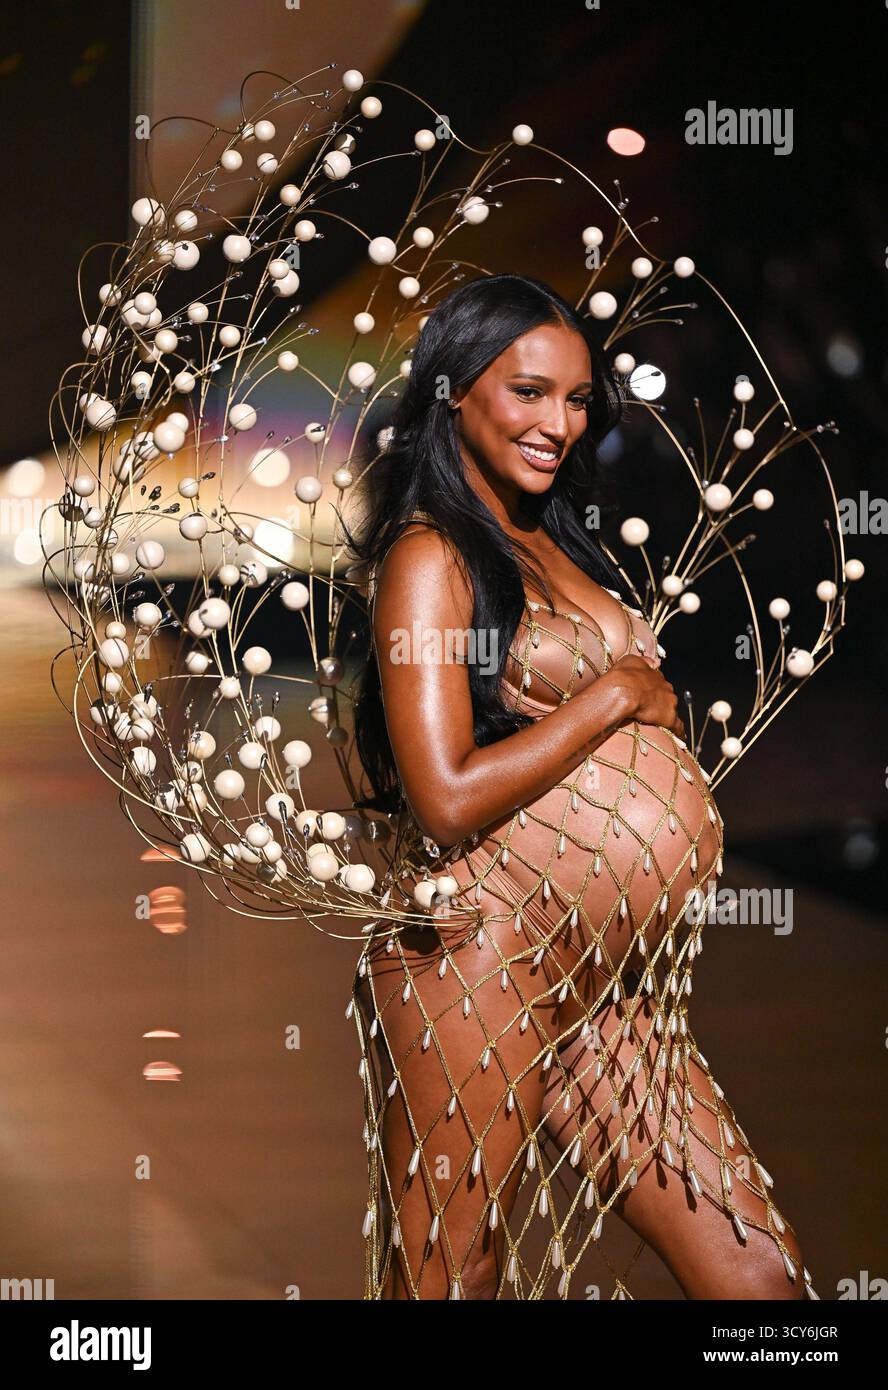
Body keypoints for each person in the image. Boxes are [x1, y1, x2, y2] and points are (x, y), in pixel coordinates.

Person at [346, 272, 813, 1301]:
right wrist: (610, 706)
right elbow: (445, 795)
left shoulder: (555, 536)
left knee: (757, 1276)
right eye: (528, 393)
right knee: (452, 1276)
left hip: (611, 990)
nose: (559, 421)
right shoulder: (430, 555)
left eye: (577, 398)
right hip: (479, 961)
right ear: (454, 392)